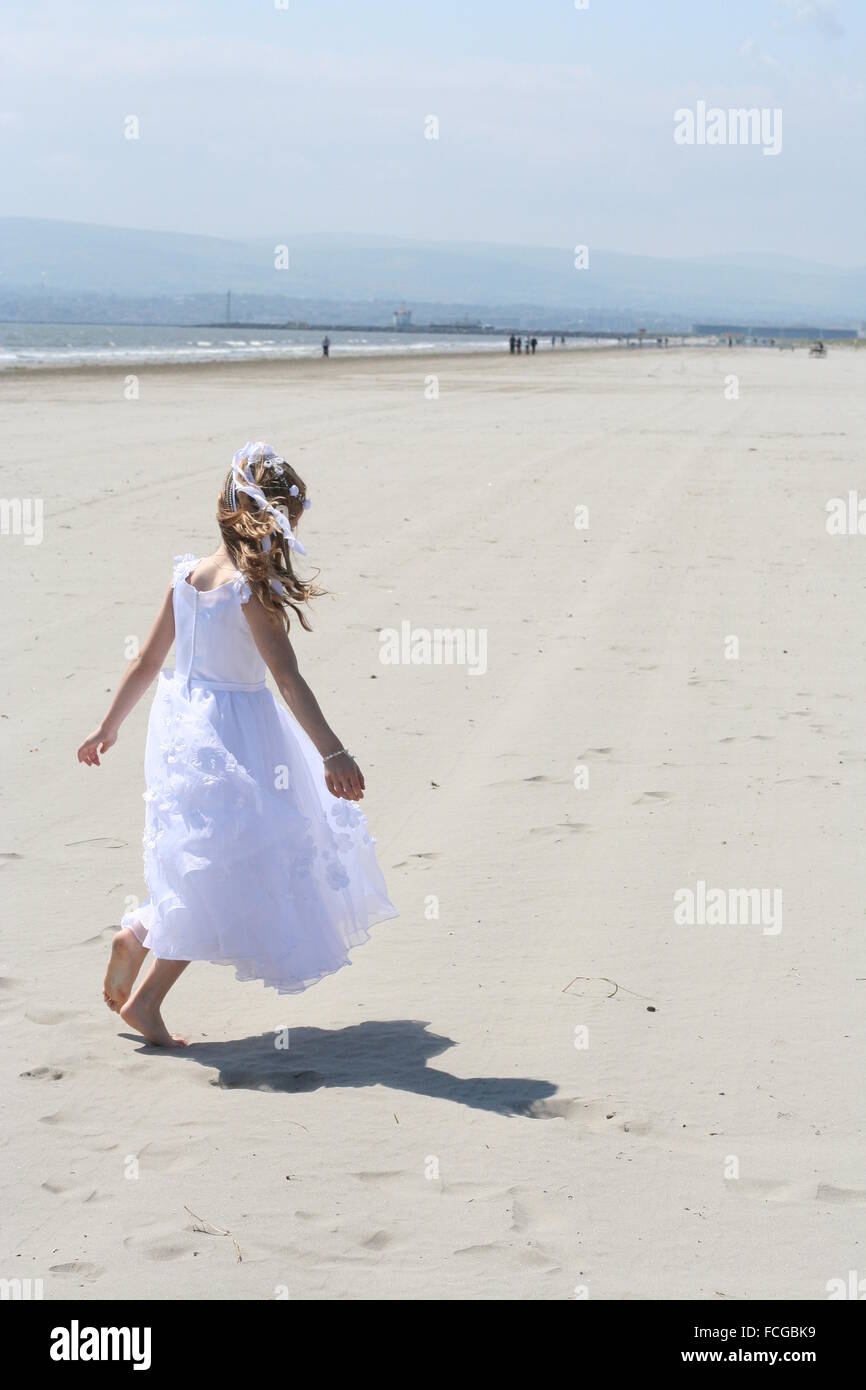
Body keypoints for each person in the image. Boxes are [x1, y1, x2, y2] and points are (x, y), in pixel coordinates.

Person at [77, 441, 397, 1046]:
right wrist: (332, 750)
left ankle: (141, 931)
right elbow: (286, 677)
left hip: (180, 726)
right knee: (231, 867)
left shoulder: (188, 577)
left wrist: (109, 725)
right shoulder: (253, 588)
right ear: (270, 520)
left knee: (207, 855)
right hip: (237, 733)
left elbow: (148, 662)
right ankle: (145, 1000)